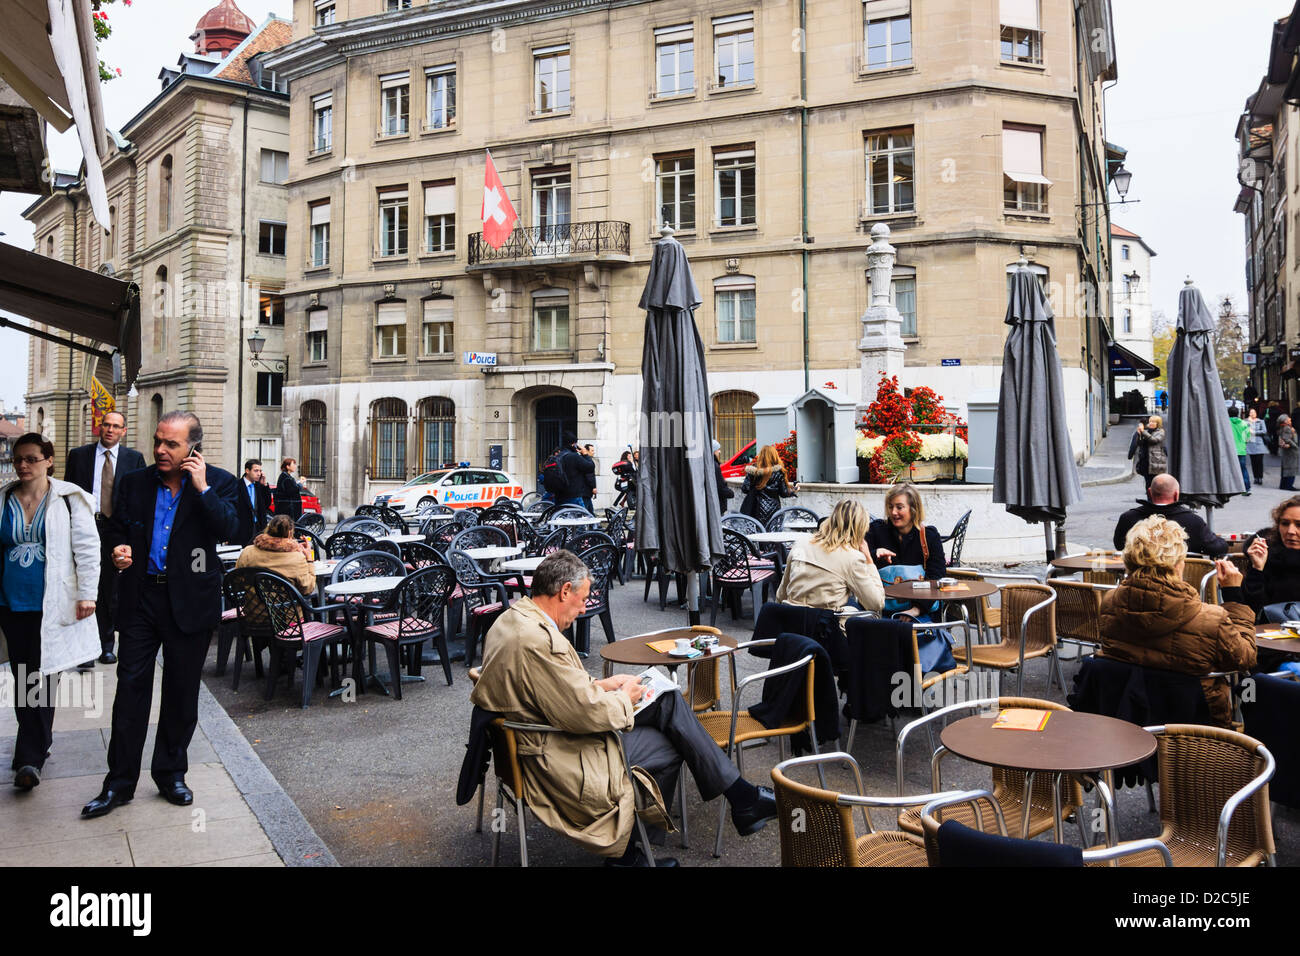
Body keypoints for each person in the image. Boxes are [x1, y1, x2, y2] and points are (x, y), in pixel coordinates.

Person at [469, 550, 777, 866]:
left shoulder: (512, 620)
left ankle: (738, 800)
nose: (584, 607)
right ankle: (629, 855)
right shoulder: (537, 640)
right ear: (564, 591)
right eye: (583, 599)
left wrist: (603, 685)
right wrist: (624, 697)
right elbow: (583, 714)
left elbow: (544, 689)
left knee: (666, 700)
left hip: (538, 737)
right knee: (671, 741)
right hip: (558, 755)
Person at [82, 411, 240, 819]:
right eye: (157, 441)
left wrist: (203, 488)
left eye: (171, 444)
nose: (160, 450)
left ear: (193, 448)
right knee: (131, 690)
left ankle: (170, 774)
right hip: (140, 601)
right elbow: (116, 528)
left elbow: (236, 530)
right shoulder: (135, 482)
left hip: (190, 603)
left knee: (181, 694)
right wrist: (118, 550)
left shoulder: (221, 483)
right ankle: (118, 783)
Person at [0, 434, 100, 791]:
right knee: (24, 673)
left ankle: (30, 754)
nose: (23, 465)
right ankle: (33, 744)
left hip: (53, 603)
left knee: (44, 676)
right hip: (11, 603)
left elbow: (88, 549)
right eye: (18, 459)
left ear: (48, 461)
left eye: (30, 458)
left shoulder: (69, 499)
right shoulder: (4, 500)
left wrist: (88, 594)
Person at [1099, 516, 1256, 728]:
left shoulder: (1109, 604)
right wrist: (1234, 596)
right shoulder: (1210, 620)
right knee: (1253, 686)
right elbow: (1245, 659)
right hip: (1196, 733)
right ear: (1178, 564)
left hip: (1128, 722)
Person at [63, 410, 146, 665]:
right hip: (86, 526)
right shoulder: (79, 456)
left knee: (110, 589)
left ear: (124, 430)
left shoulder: (134, 459)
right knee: (85, 586)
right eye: (106, 425)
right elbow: (68, 493)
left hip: (116, 530)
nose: (110, 430)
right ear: (99, 427)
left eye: (116, 426)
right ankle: (83, 651)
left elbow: (139, 498)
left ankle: (105, 645)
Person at [776, 499, 884, 617]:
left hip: (791, 622)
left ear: (831, 519)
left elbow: (781, 595)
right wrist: (868, 559)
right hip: (824, 628)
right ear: (861, 529)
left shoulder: (800, 544)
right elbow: (876, 603)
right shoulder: (852, 558)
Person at [1112, 474, 1227, 557]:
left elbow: (1119, 545)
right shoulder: (1193, 521)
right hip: (1184, 582)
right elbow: (1218, 548)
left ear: (1149, 492)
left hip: (1139, 582)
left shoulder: (1128, 518)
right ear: (1176, 495)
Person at [234, 514, 317, 615]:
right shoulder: (296, 558)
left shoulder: (247, 552)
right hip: (288, 624)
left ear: (268, 529)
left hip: (253, 618)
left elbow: (236, 582)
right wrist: (309, 559)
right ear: (290, 533)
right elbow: (308, 589)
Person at [1243, 495, 1300, 615]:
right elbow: (1252, 608)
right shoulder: (1266, 554)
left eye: (1299, 525)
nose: (1290, 531)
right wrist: (1257, 569)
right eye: (1284, 523)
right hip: (1270, 629)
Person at [739, 444, 797, 525]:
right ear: (774, 456)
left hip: (754, 508)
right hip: (773, 509)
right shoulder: (779, 472)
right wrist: (794, 490)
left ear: (761, 455)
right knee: (772, 534)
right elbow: (784, 493)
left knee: (755, 533)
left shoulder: (753, 471)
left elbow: (745, 489)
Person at [234, 458, 273, 545]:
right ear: (247, 471)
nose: (259, 474)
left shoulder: (260, 486)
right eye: (256, 471)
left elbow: (267, 504)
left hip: (258, 527)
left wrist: (265, 485)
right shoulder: (237, 485)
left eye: (260, 471)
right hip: (242, 529)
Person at [558, 432, 594, 510]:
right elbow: (590, 467)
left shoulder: (559, 456)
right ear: (573, 444)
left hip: (559, 496)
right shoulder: (574, 456)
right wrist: (585, 454)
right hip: (573, 495)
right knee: (584, 519)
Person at [1135, 415, 1167, 491]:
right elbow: (1139, 443)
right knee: (1148, 483)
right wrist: (1139, 434)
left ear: (1158, 424)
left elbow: (1154, 440)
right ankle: (1149, 500)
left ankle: (1155, 500)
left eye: (1153, 422)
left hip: (1156, 461)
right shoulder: (1146, 431)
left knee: (1155, 483)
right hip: (1146, 461)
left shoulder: (1161, 432)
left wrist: (1143, 432)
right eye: (1150, 422)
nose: (1151, 423)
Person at [1229, 410, 1252, 496]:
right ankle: (1246, 488)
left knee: (1229, 469)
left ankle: (1230, 489)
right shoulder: (1244, 423)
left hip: (1230, 450)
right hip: (1241, 450)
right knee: (1243, 469)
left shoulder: (1226, 422)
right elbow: (1247, 438)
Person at [711, 440, 734, 516]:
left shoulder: (710, 464)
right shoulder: (714, 466)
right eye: (718, 449)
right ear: (713, 451)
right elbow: (720, 487)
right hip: (717, 504)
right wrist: (730, 493)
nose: (719, 452)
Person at [1246, 407, 1268, 483]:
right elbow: (1244, 432)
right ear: (1249, 413)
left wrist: (1254, 432)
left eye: (1254, 412)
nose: (1253, 414)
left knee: (1259, 461)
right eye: (1251, 412)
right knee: (1253, 461)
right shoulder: (1245, 422)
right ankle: (1255, 477)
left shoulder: (1261, 421)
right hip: (1250, 444)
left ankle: (1260, 477)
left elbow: (1264, 431)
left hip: (1259, 444)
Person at [1279, 415, 1299, 491]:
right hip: (1291, 451)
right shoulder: (1287, 428)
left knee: (1286, 468)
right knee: (1291, 468)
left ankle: (1283, 485)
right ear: (1285, 421)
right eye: (1288, 419)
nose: (1290, 419)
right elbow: (1287, 439)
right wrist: (1295, 446)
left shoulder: (1282, 427)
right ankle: (1289, 485)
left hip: (1287, 451)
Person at [581, 443, 597, 513]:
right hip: (585, 490)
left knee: (590, 511)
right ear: (586, 451)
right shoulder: (587, 461)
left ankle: (593, 523)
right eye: (592, 450)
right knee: (586, 511)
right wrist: (593, 487)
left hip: (585, 490)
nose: (593, 452)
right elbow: (589, 475)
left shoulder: (583, 460)